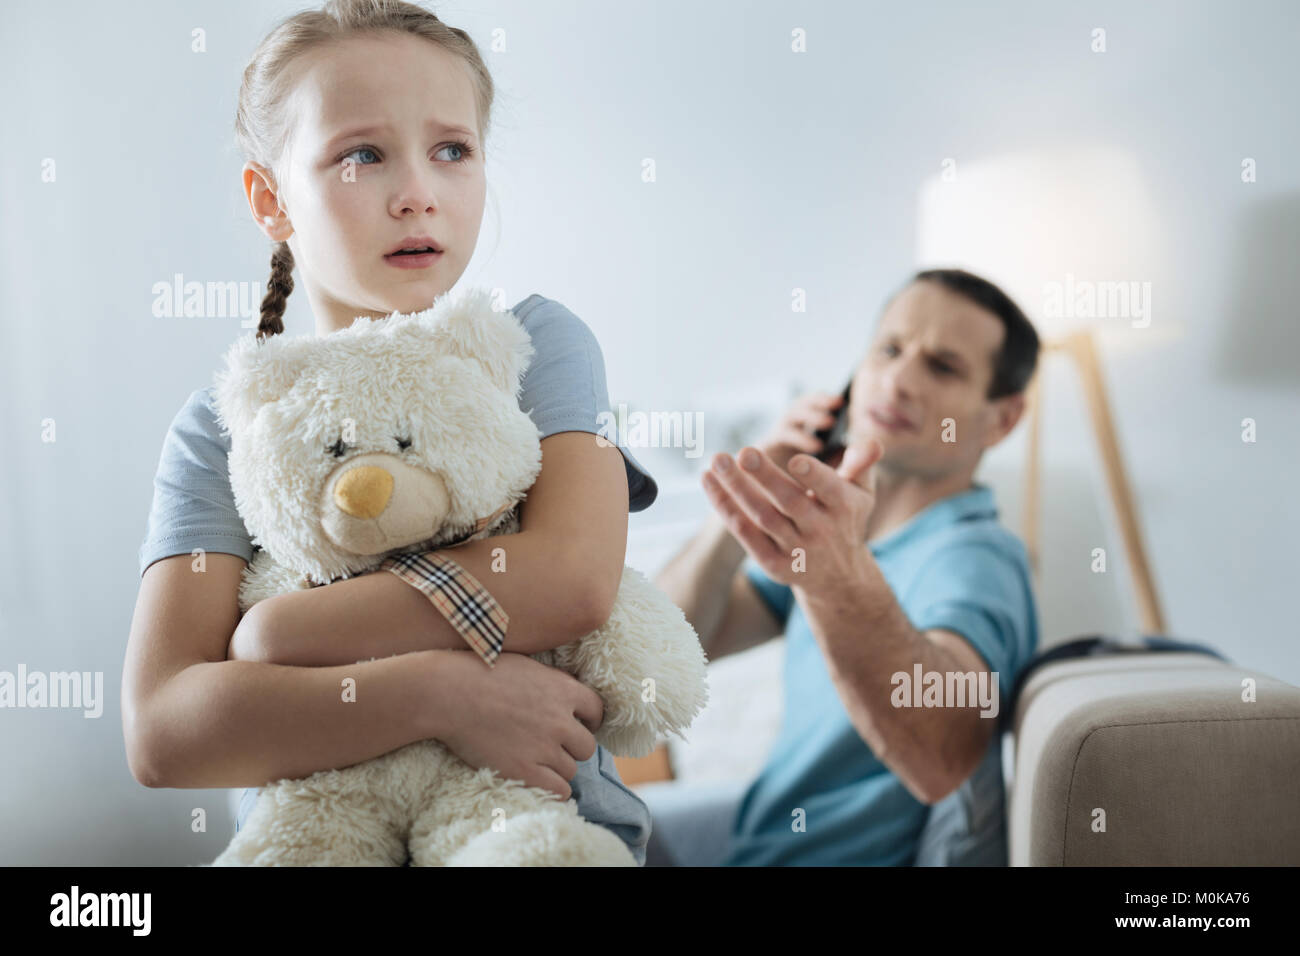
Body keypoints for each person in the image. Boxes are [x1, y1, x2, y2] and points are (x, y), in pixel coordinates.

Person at [123, 0, 654, 865]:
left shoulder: (538, 347)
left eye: (453, 150)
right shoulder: (223, 428)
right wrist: (436, 692)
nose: (417, 195)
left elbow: (571, 579)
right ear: (270, 199)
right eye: (362, 155)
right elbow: (164, 731)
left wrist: (275, 640)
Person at [648, 268, 1042, 866]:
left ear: (1004, 418)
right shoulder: (846, 542)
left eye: (942, 366)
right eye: (888, 348)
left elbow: (943, 758)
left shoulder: (974, 558)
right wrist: (742, 509)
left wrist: (832, 575)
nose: (897, 379)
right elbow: (657, 652)